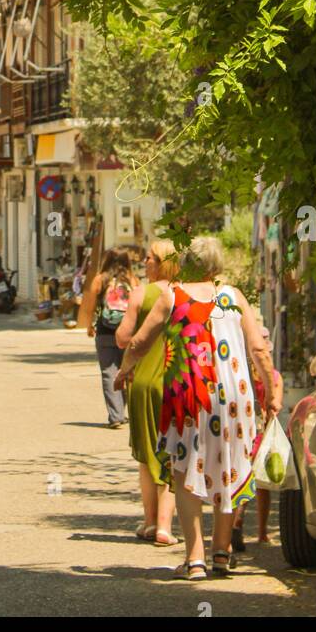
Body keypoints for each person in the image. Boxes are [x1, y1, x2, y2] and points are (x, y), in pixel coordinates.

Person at [121, 236, 279, 580]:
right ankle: (222, 553)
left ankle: (195, 559)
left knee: (185, 473)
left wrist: (123, 371)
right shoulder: (234, 297)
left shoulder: (172, 296)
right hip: (235, 399)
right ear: (217, 265)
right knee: (232, 467)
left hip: (189, 396)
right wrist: (272, 389)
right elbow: (259, 348)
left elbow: (138, 341)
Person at [113, 240, 181, 547]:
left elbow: (123, 338)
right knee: (171, 453)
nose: (145, 262)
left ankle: (151, 522)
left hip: (142, 383)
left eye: (150, 259)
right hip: (177, 383)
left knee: (147, 455)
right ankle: (165, 526)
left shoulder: (141, 294)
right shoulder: (185, 295)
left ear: (162, 262)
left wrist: (125, 365)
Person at [231, 319, 284, 551]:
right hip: (262, 433)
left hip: (241, 431)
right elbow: (276, 407)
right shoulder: (273, 377)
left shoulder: (239, 372)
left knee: (239, 479)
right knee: (262, 485)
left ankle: (236, 520)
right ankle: (262, 533)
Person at [79, 248, 137, 428]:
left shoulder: (100, 279)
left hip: (105, 331)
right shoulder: (132, 280)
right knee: (126, 372)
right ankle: (121, 412)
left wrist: (89, 325)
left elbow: (89, 305)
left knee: (108, 372)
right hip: (127, 332)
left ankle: (116, 415)